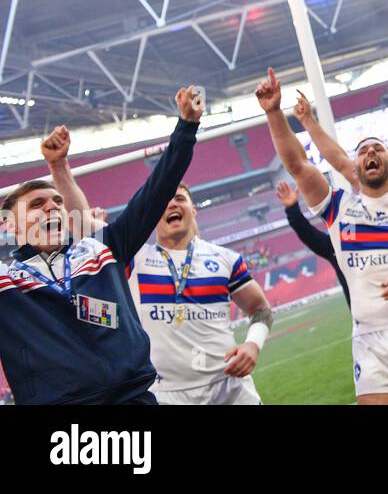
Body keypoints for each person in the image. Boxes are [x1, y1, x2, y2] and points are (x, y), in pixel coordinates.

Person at [257, 68, 388, 405]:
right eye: (363, 150)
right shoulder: (338, 207)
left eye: (377, 149)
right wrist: (275, 113)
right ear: (355, 166)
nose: (370, 153)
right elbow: (298, 165)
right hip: (369, 337)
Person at [0, 87, 201, 404]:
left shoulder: (100, 250)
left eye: (56, 201)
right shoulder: (6, 283)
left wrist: (186, 128)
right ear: (8, 224)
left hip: (135, 399)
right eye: (37, 204)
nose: (52, 207)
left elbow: (155, 192)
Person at [49, 156, 273, 406]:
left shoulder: (227, 259)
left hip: (232, 390)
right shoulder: (134, 258)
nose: (171, 205)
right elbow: (82, 225)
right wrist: (59, 166)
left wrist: (253, 344)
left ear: (193, 209)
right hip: (167, 396)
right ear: (153, 213)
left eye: (179, 198)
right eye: (164, 201)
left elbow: (261, 310)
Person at [276, 180, 349, 306]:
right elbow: (307, 233)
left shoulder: (378, 233)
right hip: (363, 323)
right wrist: (292, 209)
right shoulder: (334, 246)